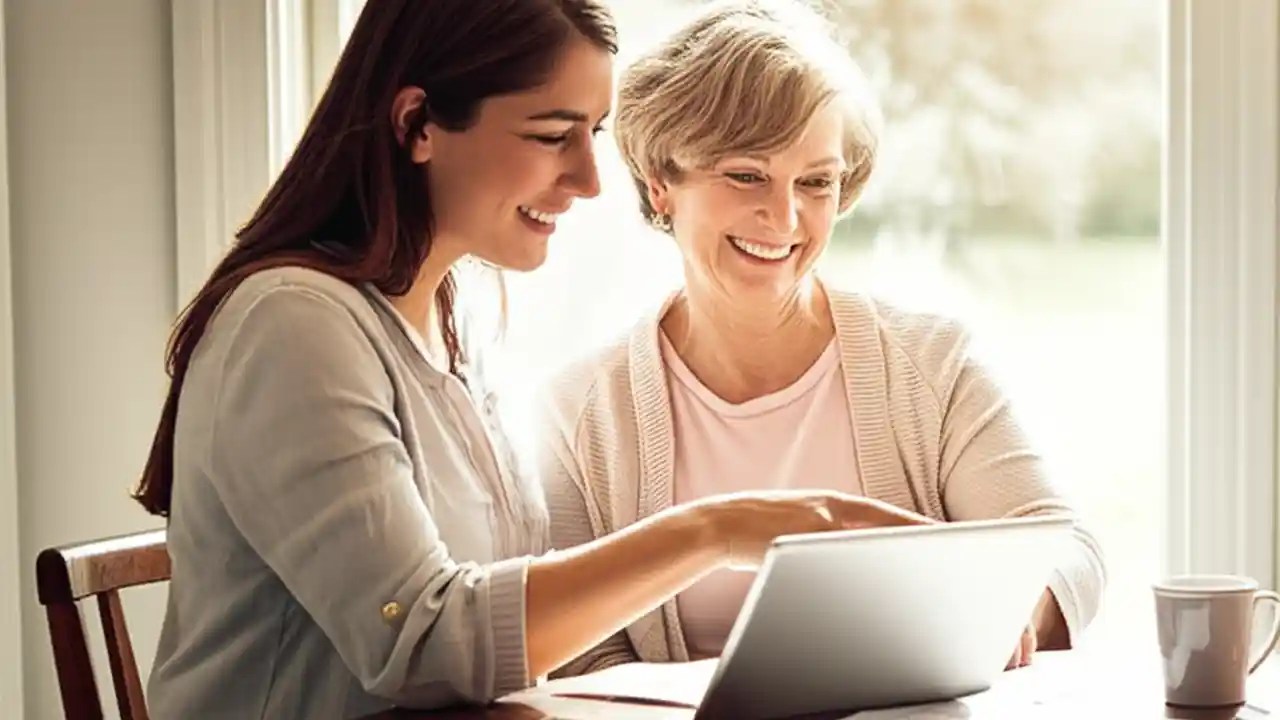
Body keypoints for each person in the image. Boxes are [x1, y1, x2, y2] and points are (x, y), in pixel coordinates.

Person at [133, 1, 931, 717]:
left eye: (594, 135)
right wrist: (714, 531)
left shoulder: (457, 319)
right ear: (416, 124)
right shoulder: (293, 327)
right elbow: (424, 646)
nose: (588, 180)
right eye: (554, 136)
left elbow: (503, 605)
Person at [537, 0, 1107, 677]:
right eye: (746, 174)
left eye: (817, 183)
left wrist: (1019, 605)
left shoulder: (934, 365)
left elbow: (1068, 549)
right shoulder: (580, 411)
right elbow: (579, 659)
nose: (784, 217)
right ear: (661, 183)